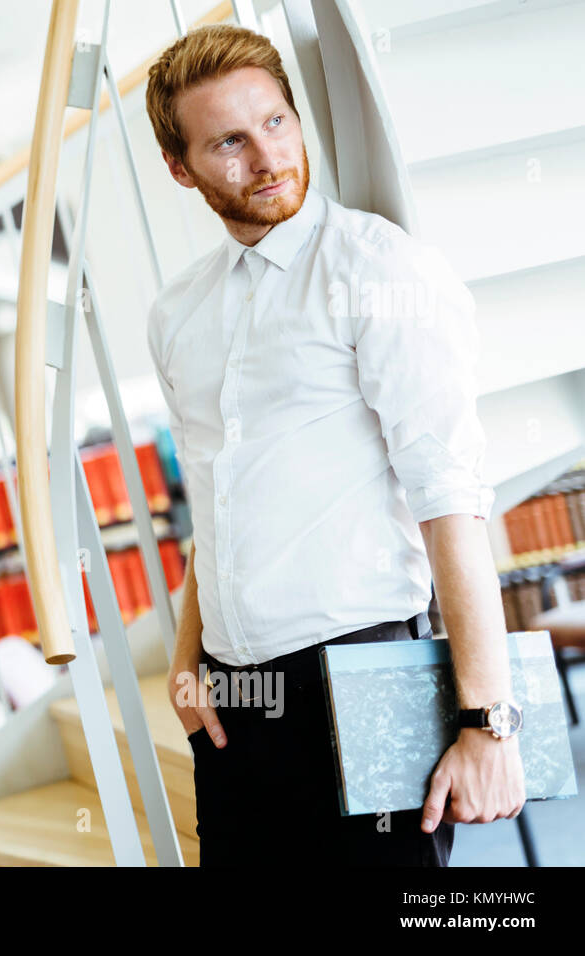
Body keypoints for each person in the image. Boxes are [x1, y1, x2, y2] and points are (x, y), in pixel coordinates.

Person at [143, 24, 525, 866]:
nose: (268, 156)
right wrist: (182, 660)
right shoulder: (177, 315)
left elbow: (448, 496)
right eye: (230, 143)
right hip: (231, 700)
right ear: (181, 167)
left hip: (359, 676)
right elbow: (218, 498)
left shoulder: (380, 271)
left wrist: (488, 721)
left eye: (277, 122)